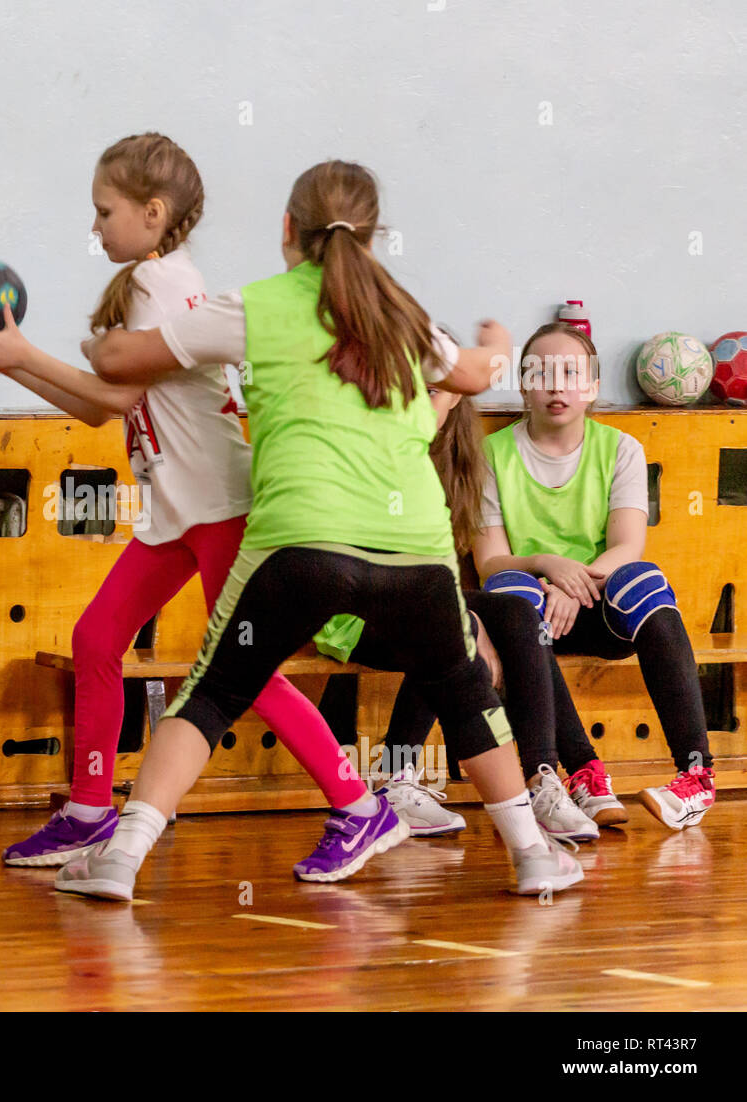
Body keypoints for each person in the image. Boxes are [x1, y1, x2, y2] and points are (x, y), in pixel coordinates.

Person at [58, 159, 583, 900]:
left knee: (211, 693)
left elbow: (118, 358)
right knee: (465, 689)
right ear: (373, 237)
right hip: (415, 552)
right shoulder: (404, 315)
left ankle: (121, 858)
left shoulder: (257, 306)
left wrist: (94, 346)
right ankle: (532, 854)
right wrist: (496, 342)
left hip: (299, 545)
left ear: (285, 230)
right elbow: (472, 373)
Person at [0, 134, 386, 876]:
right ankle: (87, 810)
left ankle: (359, 806)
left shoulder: (162, 284)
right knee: (97, 640)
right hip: (177, 512)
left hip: (219, 507)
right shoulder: (151, 279)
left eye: (103, 211)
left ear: (151, 212)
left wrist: (21, 354)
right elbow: (97, 412)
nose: (94, 226)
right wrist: (11, 363)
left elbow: (115, 390)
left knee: (243, 669)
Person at [342, 386, 626, 842]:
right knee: (446, 627)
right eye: (410, 386)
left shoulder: (453, 458)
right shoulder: (371, 447)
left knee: (516, 612)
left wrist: (472, 618)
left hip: (413, 599)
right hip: (350, 607)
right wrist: (470, 625)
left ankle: (540, 779)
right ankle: (392, 778)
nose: (419, 399)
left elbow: (433, 573)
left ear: (456, 396)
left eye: (434, 390)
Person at [473, 322, 716, 830]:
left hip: (600, 607)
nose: (557, 386)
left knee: (643, 578)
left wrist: (569, 583)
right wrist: (545, 567)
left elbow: (627, 545)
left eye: (571, 373)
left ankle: (696, 777)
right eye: (542, 373)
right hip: (529, 620)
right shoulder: (491, 455)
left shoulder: (620, 448)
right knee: (509, 592)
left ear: (592, 386)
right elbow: (491, 562)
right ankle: (559, 776)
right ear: (523, 385)